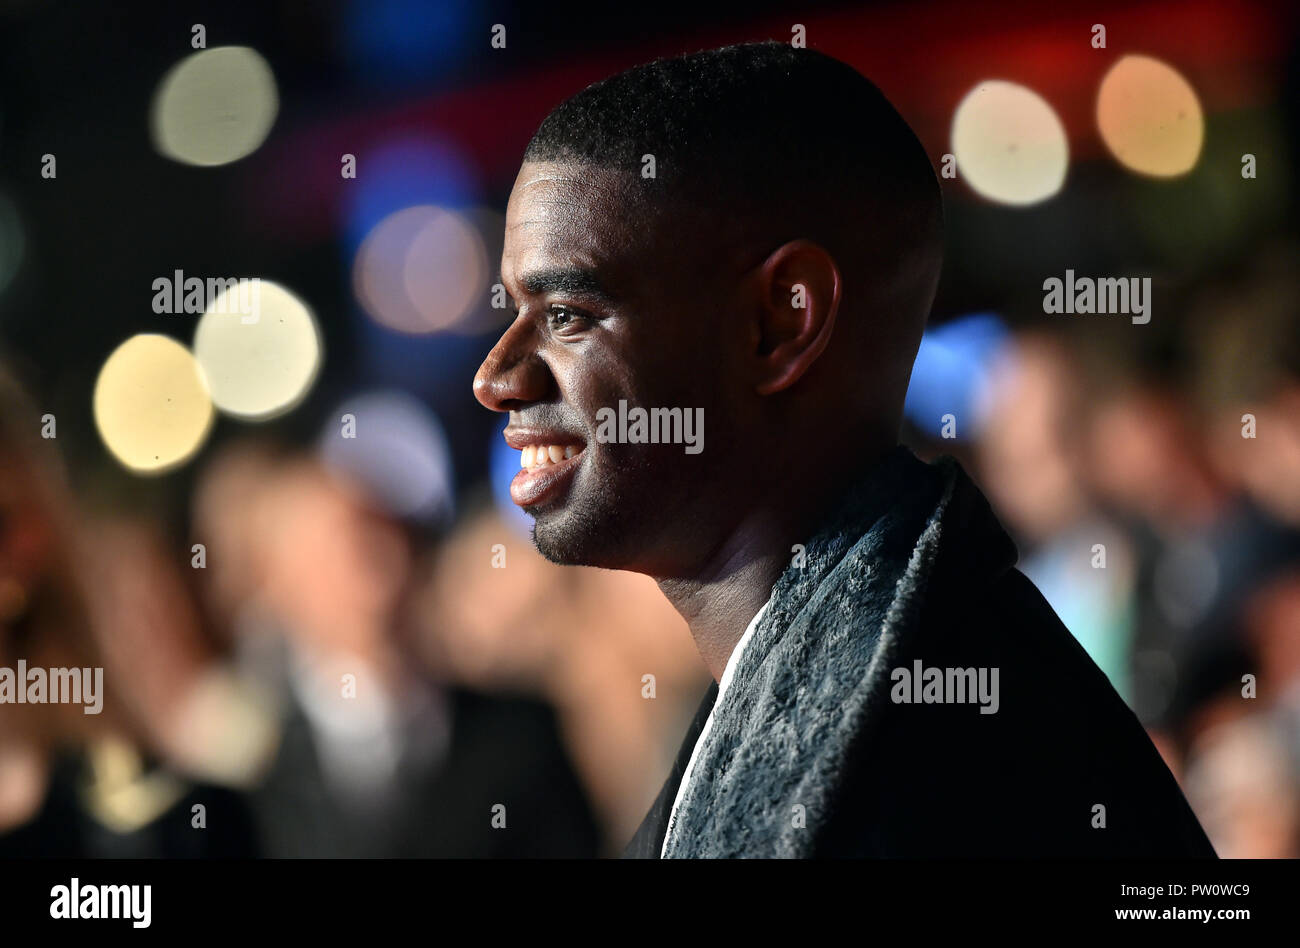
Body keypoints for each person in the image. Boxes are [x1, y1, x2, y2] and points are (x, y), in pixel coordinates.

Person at [472, 41, 1216, 858]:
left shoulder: (931, 760)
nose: (497, 378)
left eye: (569, 315)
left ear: (782, 322)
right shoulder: (898, 677)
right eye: (510, 311)